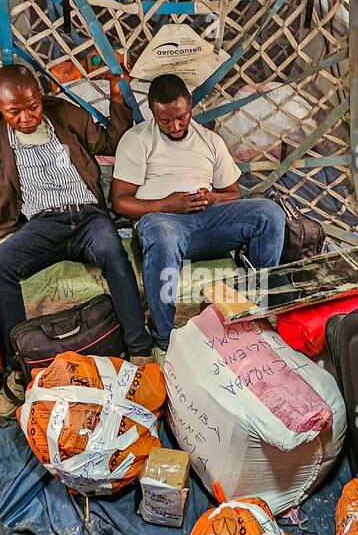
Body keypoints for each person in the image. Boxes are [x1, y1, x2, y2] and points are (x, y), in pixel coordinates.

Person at [0, 63, 152, 423]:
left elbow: (111, 140)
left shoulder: (65, 115)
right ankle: (21, 369)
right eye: (15, 111)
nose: (27, 116)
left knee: (112, 251)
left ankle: (140, 351)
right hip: (42, 224)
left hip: (87, 215)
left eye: (32, 106)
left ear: (41, 96)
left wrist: (116, 99)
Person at [110, 73, 285, 354]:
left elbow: (233, 193)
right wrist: (167, 204)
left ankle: (257, 313)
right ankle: (165, 340)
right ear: (153, 112)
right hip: (163, 221)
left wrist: (214, 198)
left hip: (209, 221)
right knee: (161, 233)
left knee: (269, 213)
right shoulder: (137, 139)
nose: (176, 126)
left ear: (190, 106)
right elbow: (120, 202)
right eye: (165, 121)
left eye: (182, 116)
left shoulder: (210, 141)